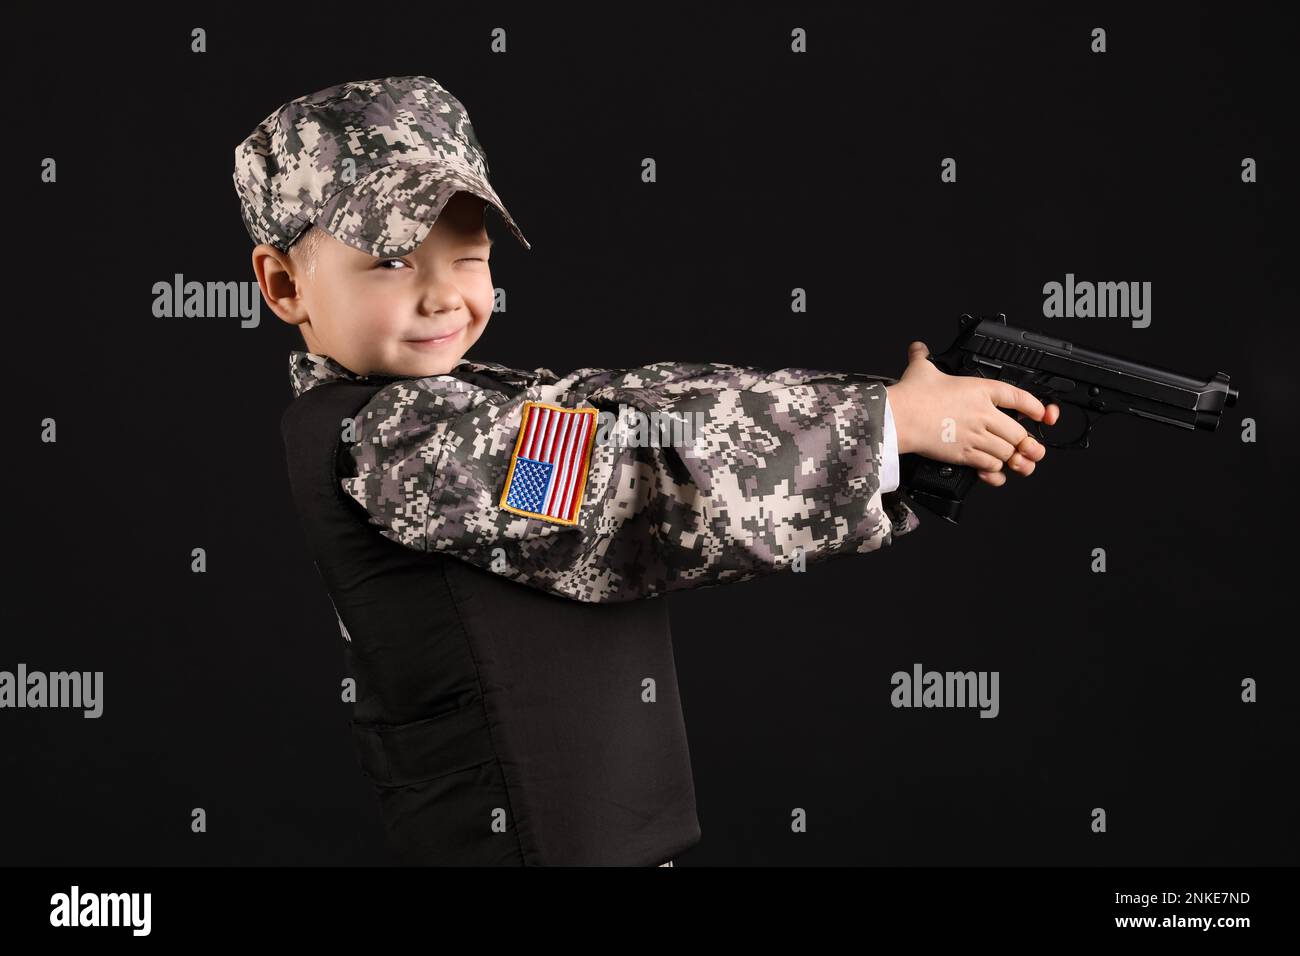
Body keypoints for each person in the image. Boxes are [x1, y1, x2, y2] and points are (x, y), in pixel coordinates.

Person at [238, 76, 1058, 864]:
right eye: (391, 262)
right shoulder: (394, 440)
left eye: (469, 257)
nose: (443, 296)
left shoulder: (465, 403)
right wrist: (884, 425)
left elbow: (655, 402)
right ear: (283, 285)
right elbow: (624, 482)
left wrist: (894, 419)